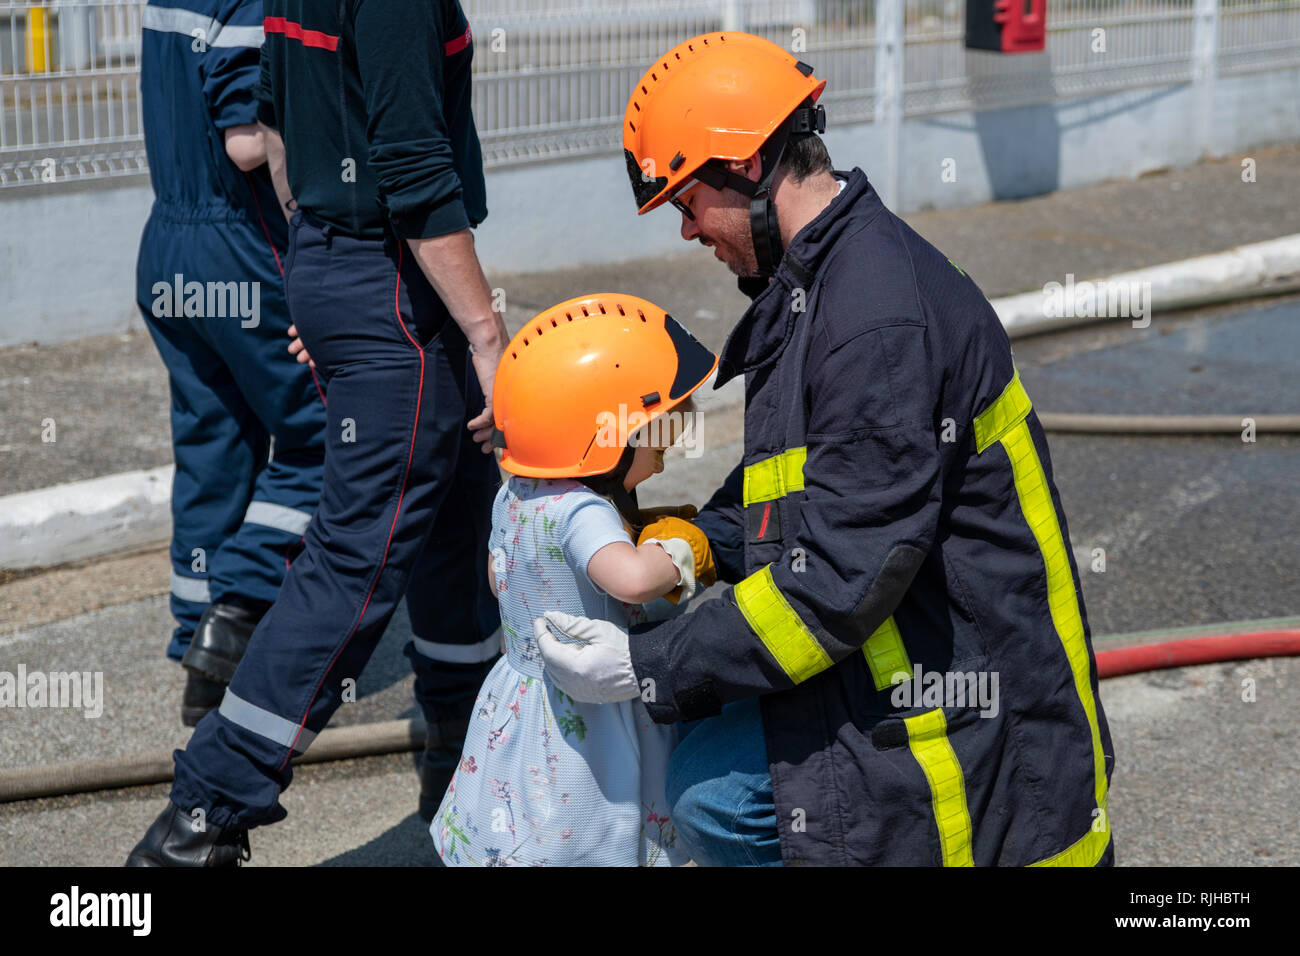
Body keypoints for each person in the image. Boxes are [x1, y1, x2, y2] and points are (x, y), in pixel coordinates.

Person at [535, 32, 1116, 866]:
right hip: (904, 639)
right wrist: (703, 542)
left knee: (715, 802)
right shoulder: (821, 281)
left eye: (687, 201)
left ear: (745, 164)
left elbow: (842, 576)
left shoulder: (874, 319)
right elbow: (806, 484)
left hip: (967, 709)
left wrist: (643, 662)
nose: (689, 231)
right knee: (702, 758)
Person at [127, 0, 508, 866]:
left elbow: (274, 123)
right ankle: (202, 819)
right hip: (393, 279)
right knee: (355, 557)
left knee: (455, 508)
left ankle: (464, 759)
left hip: (349, 268)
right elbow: (414, 171)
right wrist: (485, 333)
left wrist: (313, 274)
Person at [433, 293, 718, 867]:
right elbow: (635, 581)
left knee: (530, 833)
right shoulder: (583, 512)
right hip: (591, 715)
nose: (663, 455)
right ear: (606, 438)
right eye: (654, 434)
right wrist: (687, 545)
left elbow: (500, 575)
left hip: (521, 700)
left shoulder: (515, 493)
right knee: (594, 841)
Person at [134, 0, 326, 727]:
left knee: (213, 447)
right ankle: (239, 610)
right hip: (243, 249)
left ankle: (197, 649)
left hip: (168, 246)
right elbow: (249, 140)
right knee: (330, 432)